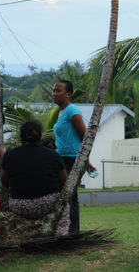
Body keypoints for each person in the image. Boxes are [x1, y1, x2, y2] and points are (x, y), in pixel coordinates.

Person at [0, 119, 70, 235]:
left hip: (19, 205)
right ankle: (60, 234)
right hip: (47, 203)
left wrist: (1, 156)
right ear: (40, 137)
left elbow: (5, 181)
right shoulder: (53, 155)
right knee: (65, 206)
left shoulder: (9, 155)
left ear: (21, 137)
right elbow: (64, 182)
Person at [52, 79, 86, 233]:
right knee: (71, 198)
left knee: (67, 197)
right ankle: (73, 232)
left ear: (68, 94)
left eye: (58, 91)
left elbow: (85, 137)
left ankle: (70, 232)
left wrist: (85, 159)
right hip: (63, 159)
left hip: (73, 160)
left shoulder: (72, 111)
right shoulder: (61, 112)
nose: (54, 94)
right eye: (54, 90)